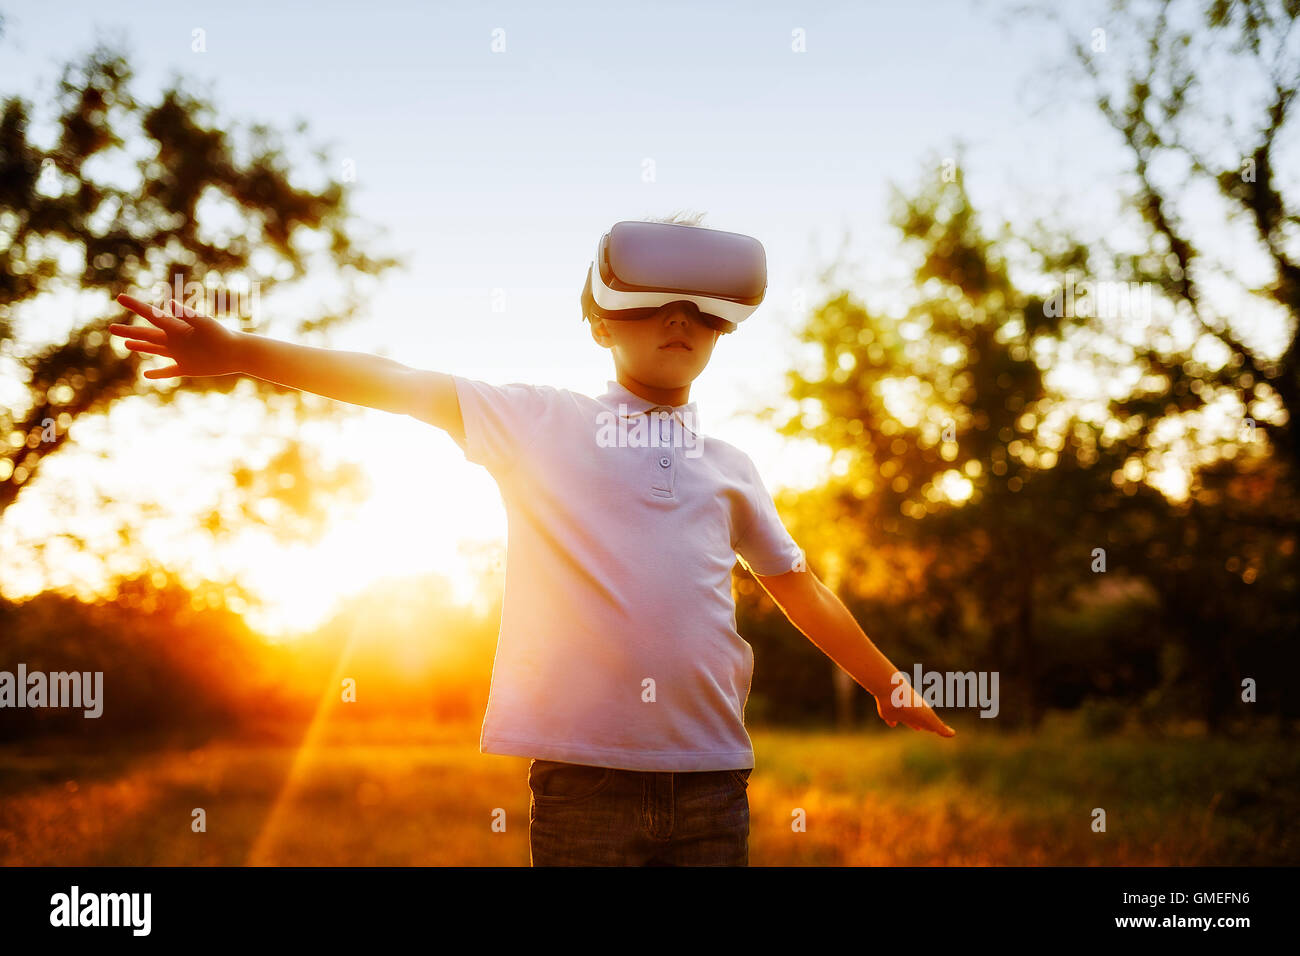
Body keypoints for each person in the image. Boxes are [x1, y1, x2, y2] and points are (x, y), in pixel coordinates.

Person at [109, 233, 955, 867]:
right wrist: (237, 353)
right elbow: (396, 384)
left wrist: (886, 681)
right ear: (599, 327)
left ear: (723, 329)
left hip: (712, 783)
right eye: (655, 305)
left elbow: (797, 585)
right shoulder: (538, 423)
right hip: (584, 786)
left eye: (700, 311)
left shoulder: (731, 468)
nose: (678, 321)